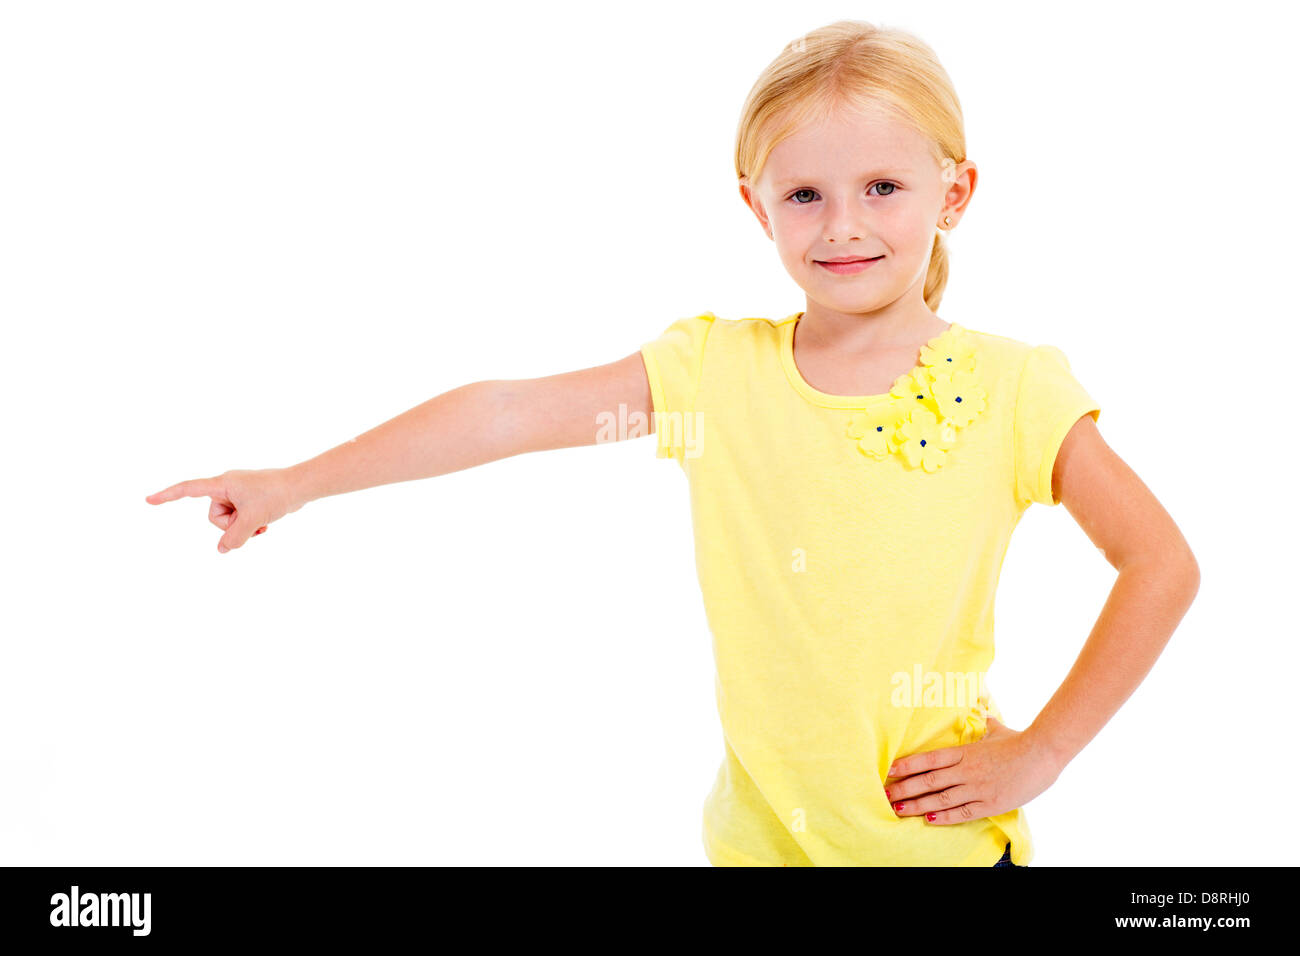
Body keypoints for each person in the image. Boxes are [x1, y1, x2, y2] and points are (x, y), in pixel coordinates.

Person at [146, 20, 1199, 866]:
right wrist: (296, 481)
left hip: (935, 847)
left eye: (881, 187)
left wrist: (1044, 749)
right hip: (758, 845)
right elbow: (507, 411)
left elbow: (1160, 562)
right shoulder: (714, 375)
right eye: (804, 194)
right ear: (757, 208)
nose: (842, 225)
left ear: (953, 193)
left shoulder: (1012, 387)